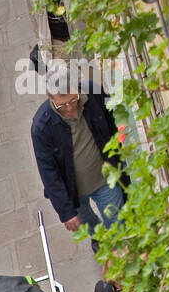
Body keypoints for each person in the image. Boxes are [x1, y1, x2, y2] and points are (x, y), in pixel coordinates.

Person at [30, 84, 126, 251]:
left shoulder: (92, 93)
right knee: (87, 220)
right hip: (73, 191)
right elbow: (48, 172)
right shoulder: (41, 127)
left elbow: (111, 120)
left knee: (118, 224)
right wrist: (66, 212)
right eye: (62, 105)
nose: (69, 108)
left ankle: (122, 253)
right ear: (51, 99)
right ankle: (99, 239)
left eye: (73, 100)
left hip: (105, 179)